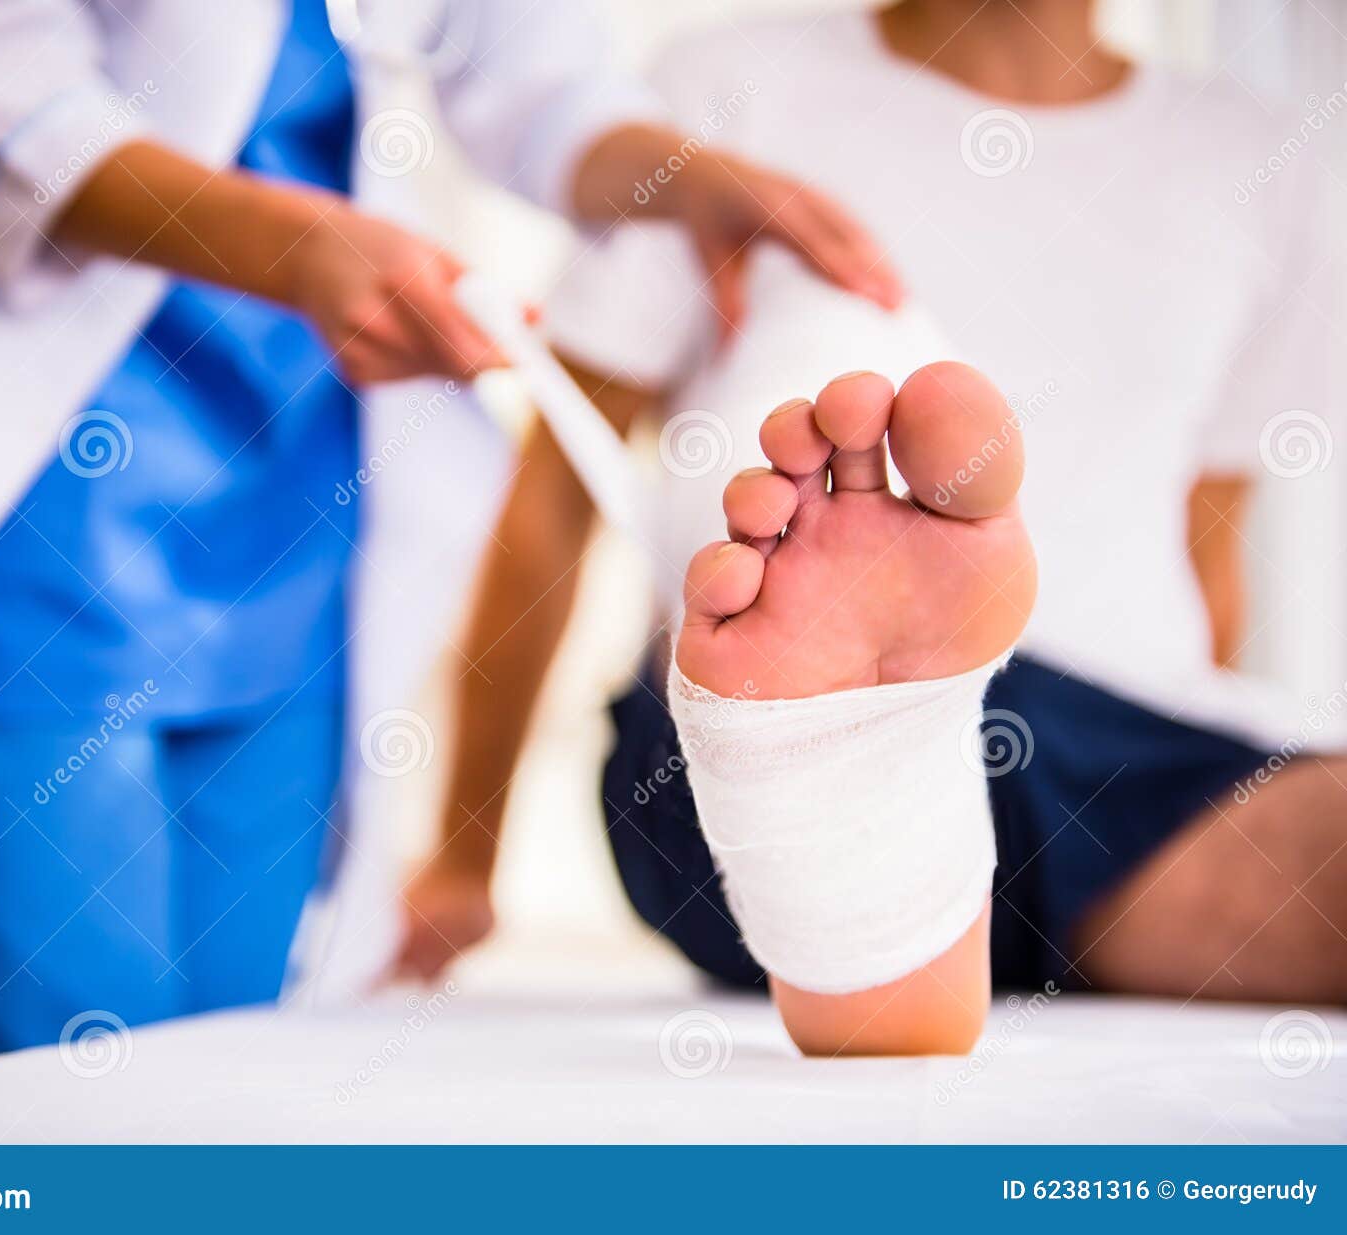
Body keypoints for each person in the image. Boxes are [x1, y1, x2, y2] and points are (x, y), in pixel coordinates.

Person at [0, 0, 906, 1094]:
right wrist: (294, 247)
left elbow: (529, 74)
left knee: (223, 1042)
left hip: (297, 479)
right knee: (47, 1065)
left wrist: (680, 177)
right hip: (24, 476)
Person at [406, 0, 1345, 1022]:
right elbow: (555, 499)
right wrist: (464, 853)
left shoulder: (1265, 159)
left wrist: (1194, 742)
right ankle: (852, 754)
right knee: (952, 732)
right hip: (719, 739)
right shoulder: (721, 92)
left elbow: (1208, 535)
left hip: (1138, 745)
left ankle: (879, 879)